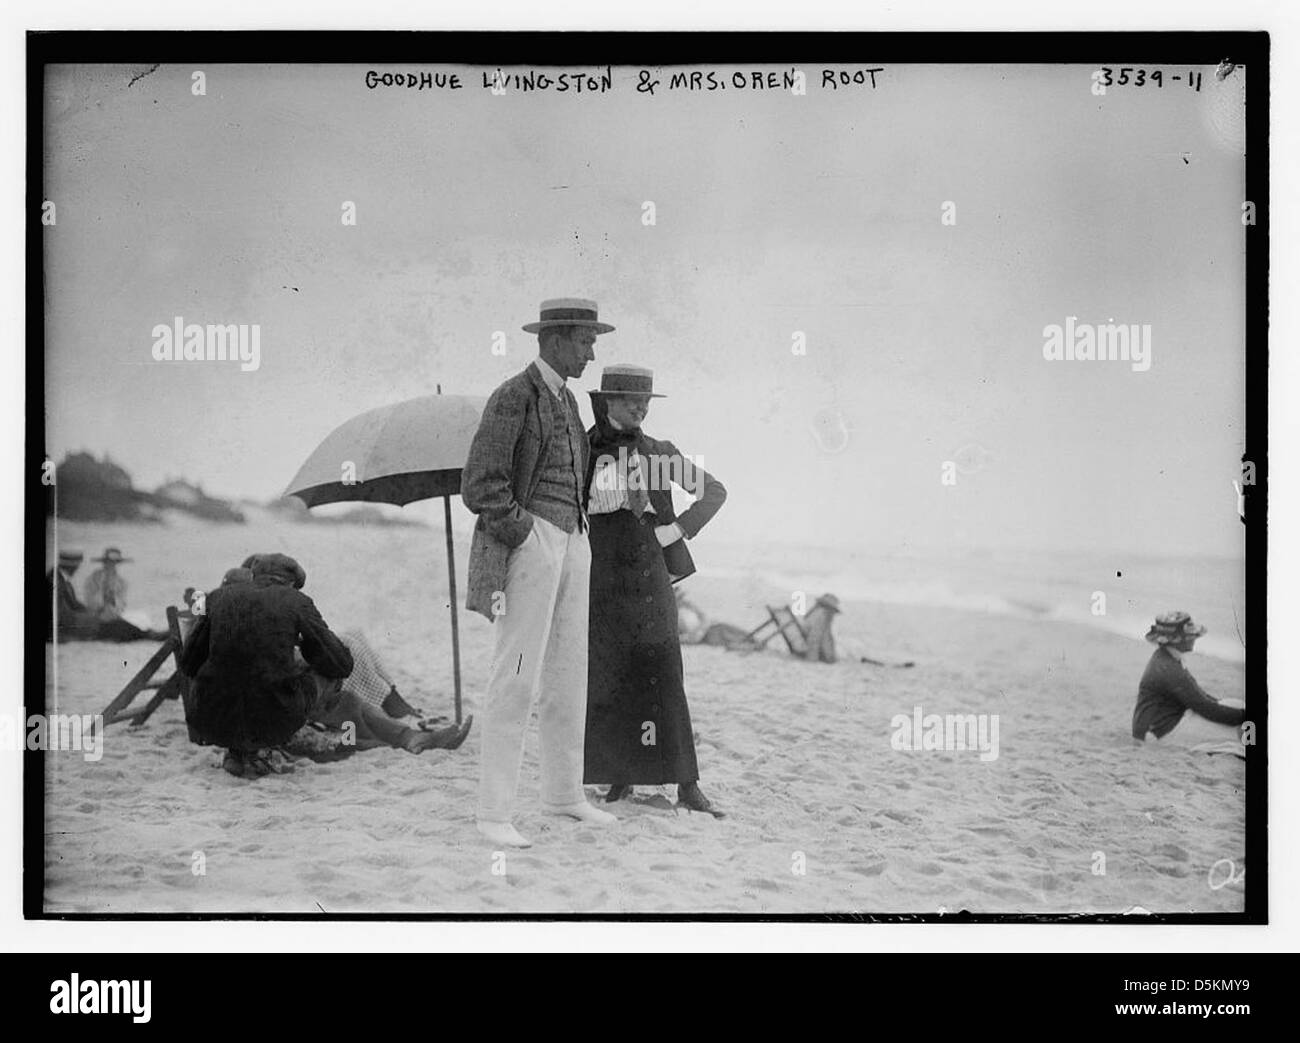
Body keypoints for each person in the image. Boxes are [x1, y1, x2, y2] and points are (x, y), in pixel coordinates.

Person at [461, 297, 619, 848]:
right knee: (517, 674)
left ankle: (562, 795)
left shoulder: (569, 400)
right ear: (554, 340)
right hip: (533, 542)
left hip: (575, 539)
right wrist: (526, 532)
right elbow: (481, 484)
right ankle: (492, 812)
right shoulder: (514, 395)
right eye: (585, 340)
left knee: (569, 675)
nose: (592, 351)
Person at [582, 365, 728, 816]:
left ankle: (687, 786)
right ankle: (619, 778)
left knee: (665, 677)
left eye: (645, 401)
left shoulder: (660, 453)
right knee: (608, 679)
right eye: (631, 400)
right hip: (601, 583)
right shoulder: (583, 451)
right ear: (608, 401)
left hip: (651, 584)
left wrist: (676, 531)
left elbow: (714, 492)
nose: (641, 407)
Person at [182, 553, 470, 779]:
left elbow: (188, 663)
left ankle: (408, 737)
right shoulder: (295, 601)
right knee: (334, 685)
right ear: (291, 584)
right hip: (272, 721)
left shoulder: (216, 599)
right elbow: (341, 663)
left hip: (210, 721)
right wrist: (305, 652)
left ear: (254, 576)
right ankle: (400, 737)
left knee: (308, 691)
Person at [1131, 611, 1246, 749]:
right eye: (1190, 635)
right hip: (1161, 733)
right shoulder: (1169, 669)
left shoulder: (1165, 657)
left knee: (1235, 705)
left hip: (1156, 726)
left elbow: (1200, 697)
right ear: (1178, 640)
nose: (1194, 638)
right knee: (1234, 731)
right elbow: (1205, 707)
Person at [47, 548, 165, 643]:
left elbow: (75, 605)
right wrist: (93, 616)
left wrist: (96, 613)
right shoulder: (58, 581)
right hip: (74, 625)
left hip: (93, 617)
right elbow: (63, 614)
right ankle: (150, 635)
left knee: (123, 622)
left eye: (114, 563)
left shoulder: (62, 580)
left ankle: (149, 634)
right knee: (118, 627)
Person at [83, 547, 132, 617]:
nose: (111, 564)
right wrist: (103, 597)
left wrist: (113, 600)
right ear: (104, 562)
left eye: (115, 562)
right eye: (109, 561)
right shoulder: (93, 578)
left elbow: (122, 605)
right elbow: (88, 601)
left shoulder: (122, 582)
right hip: (94, 617)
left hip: (114, 617)